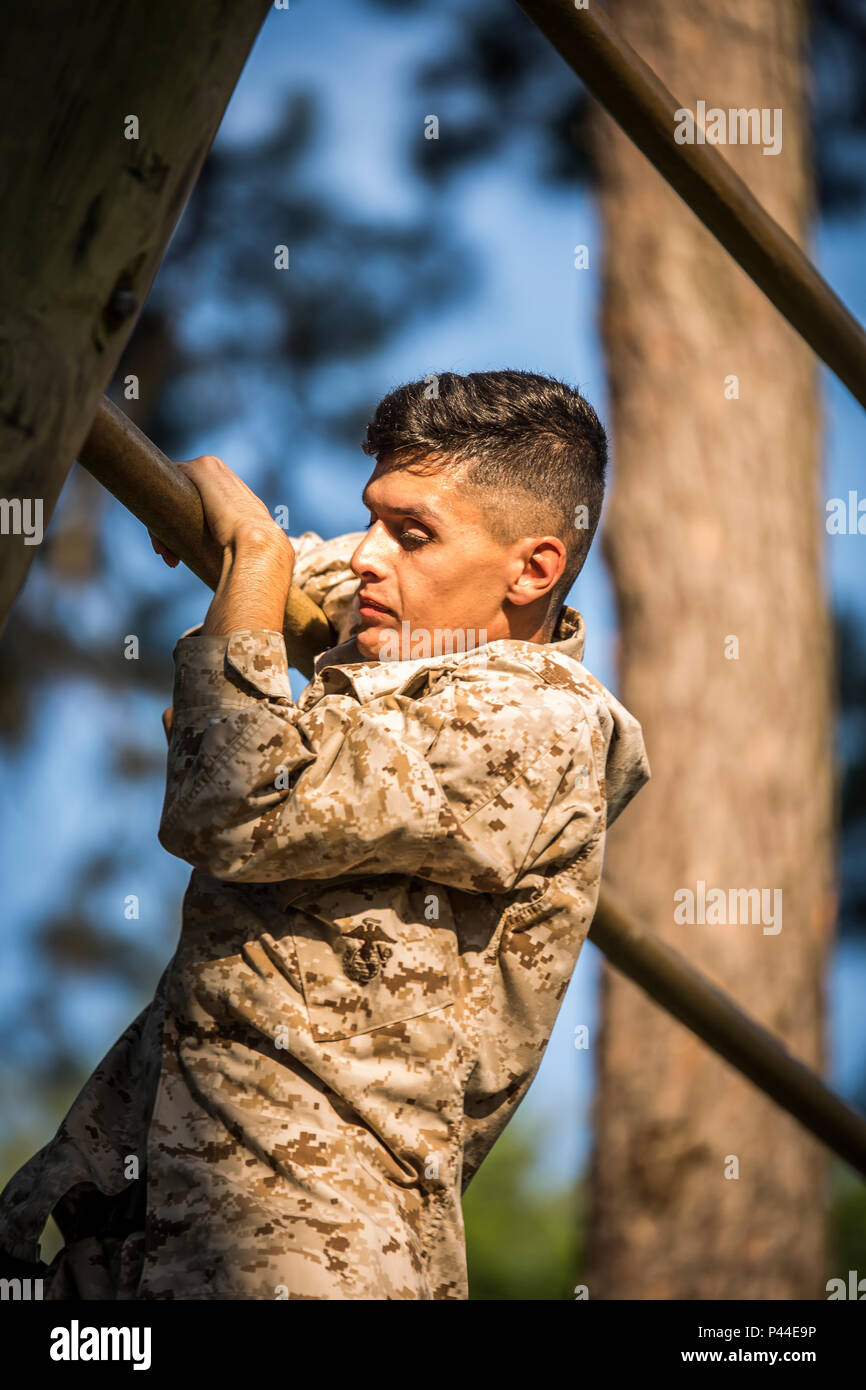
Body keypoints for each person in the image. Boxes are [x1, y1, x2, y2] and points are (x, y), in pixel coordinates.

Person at [0, 368, 649, 1299]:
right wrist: (211, 520)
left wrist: (254, 566)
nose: (375, 555)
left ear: (535, 570)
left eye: (412, 532)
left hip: (312, 1244)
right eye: (374, 517)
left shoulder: (537, 720)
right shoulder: (421, 619)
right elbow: (338, 568)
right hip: (144, 1226)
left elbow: (231, 801)